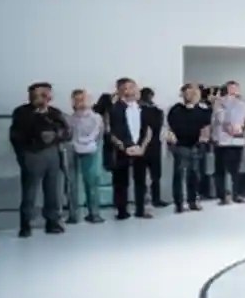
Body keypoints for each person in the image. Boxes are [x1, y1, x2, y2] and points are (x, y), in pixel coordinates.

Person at [10, 82, 70, 237]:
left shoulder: (55, 112)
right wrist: (38, 114)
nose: (43, 97)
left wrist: (56, 135)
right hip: (32, 154)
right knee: (30, 191)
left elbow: (68, 132)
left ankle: (52, 222)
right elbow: (17, 135)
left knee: (52, 191)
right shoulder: (22, 112)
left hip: (53, 154)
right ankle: (26, 224)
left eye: (46, 94)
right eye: (39, 94)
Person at [107, 78, 155, 221]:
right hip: (122, 150)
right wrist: (123, 147)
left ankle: (141, 209)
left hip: (140, 149)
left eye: (133, 87)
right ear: (120, 90)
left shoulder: (143, 108)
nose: (132, 90)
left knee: (141, 180)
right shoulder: (114, 109)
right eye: (127, 88)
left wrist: (142, 147)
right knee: (121, 182)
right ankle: (122, 211)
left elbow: (149, 130)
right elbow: (111, 132)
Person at [166, 84, 213, 213]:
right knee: (179, 174)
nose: (191, 96)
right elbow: (170, 128)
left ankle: (193, 201)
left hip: (196, 146)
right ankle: (179, 203)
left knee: (195, 174)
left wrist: (203, 142)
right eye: (188, 93)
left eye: (195, 93)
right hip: (180, 146)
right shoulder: (175, 110)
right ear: (182, 94)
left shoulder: (203, 111)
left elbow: (206, 128)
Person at [65, 89, 105, 224]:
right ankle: (73, 214)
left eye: (83, 99)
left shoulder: (96, 118)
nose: (80, 102)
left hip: (91, 150)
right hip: (73, 150)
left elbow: (98, 135)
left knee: (92, 182)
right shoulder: (70, 119)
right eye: (76, 100)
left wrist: (87, 144)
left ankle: (94, 213)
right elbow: (68, 135)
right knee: (72, 184)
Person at [212, 81, 245, 205]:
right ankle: (223, 195)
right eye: (231, 88)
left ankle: (236, 193)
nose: (234, 90)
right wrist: (228, 126)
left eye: (236, 88)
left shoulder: (243, 104)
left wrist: (243, 128)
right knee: (221, 169)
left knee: (236, 169)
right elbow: (219, 118)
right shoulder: (219, 103)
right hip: (223, 140)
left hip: (237, 140)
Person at [139, 87, 170, 209]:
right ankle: (154, 199)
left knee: (152, 176)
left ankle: (146, 199)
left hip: (147, 145)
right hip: (152, 145)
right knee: (152, 175)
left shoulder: (141, 111)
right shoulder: (156, 111)